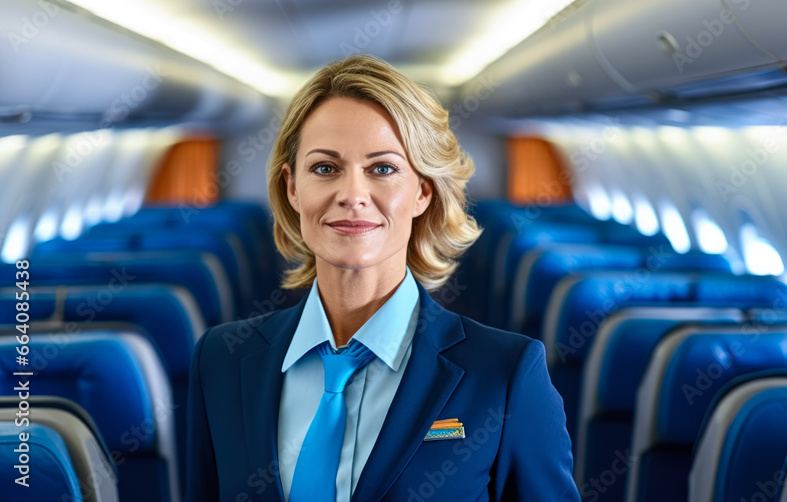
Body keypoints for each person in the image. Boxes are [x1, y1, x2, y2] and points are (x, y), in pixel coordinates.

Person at [184, 54, 580, 501]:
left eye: (383, 169)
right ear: (292, 187)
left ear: (422, 192)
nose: (352, 195)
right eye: (325, 168)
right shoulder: (220, 360)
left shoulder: (504, 374)